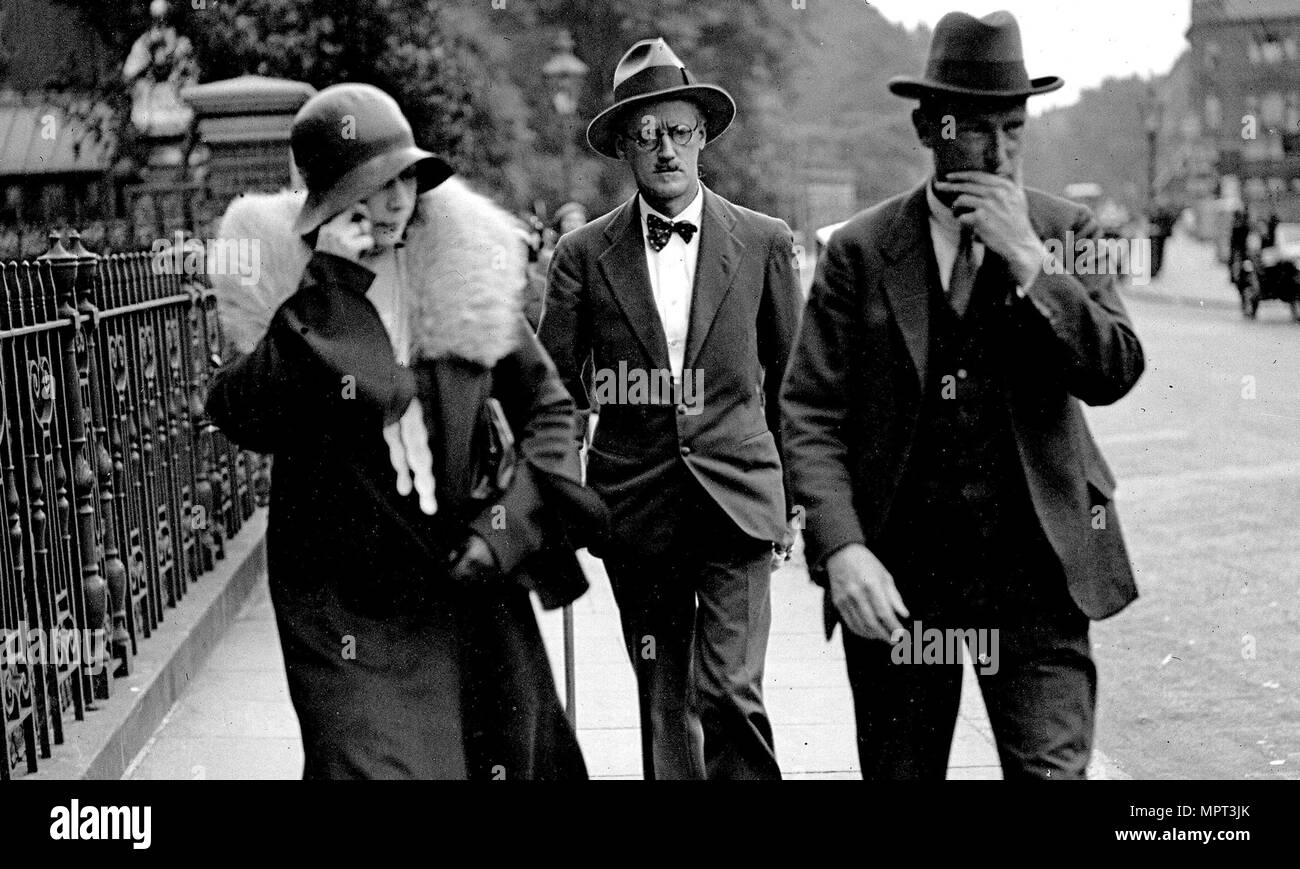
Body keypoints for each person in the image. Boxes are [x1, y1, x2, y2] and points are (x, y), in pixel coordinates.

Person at [781, 10, 1145, 780]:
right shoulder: (860, 251)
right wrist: (842, 548)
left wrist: (1029, 260)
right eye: (977, 129)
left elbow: (1115, 368)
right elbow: (809, 412)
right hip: (904, 584)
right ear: (927, 127)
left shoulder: (1066, 229)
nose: (1003, 152)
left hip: (1037, 584)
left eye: (1015, 127)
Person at [204, 83, 605, 780]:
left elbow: (548, 409)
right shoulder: (291, 292)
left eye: (405, 180)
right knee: (366, 765)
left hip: (465, 581)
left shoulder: (457, 274)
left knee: (499, 758)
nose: (392, 202)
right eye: (370, 187)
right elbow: (243, 413)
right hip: (344, 603)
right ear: (325, 199)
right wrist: (329, 287)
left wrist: (505, 528)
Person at [539, 38, 802, 780]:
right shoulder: (583, 256)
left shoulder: (764, 243)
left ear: (703, 137)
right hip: (636, 508)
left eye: (679, 130)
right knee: (665, 699)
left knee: (729, 690)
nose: (665, 149)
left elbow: (796, 385)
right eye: (646, 133)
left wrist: (798, 499)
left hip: (741, 500)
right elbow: (552, 392)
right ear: (623, 145)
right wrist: (558, 491)